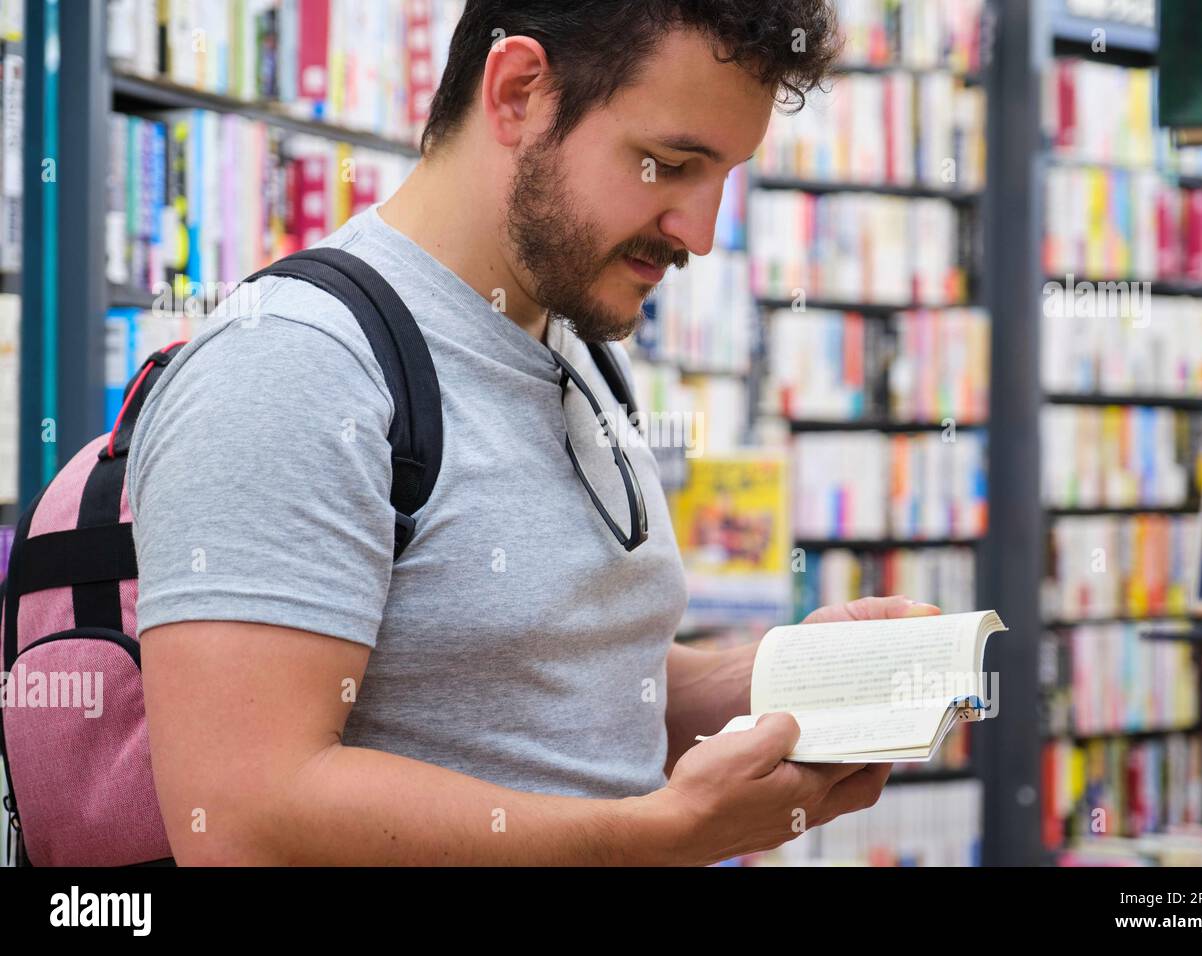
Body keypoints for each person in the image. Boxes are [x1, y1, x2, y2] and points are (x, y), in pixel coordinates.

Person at [130, 0, 940, 866]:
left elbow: (552, 690)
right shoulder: (293, 364)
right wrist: (650, 840)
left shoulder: (575, 345)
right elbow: (245, 813)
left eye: (724, 178)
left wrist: (782, 680)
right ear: (519, 93)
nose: (698, 234)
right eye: (668, 165)